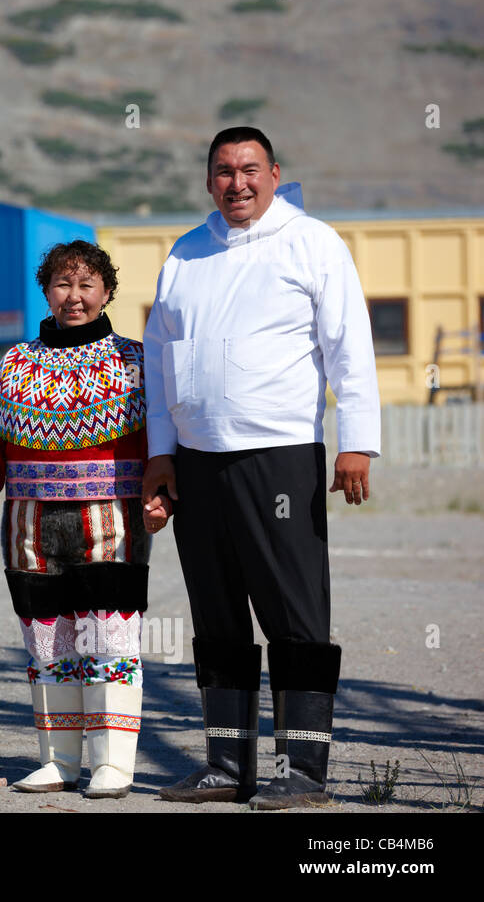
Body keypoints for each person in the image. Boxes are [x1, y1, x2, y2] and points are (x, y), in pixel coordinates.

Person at [142, 127, 380, 809]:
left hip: (278, 458)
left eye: (250, 169)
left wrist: (356, 441)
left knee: (293, 614)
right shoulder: (186, 253)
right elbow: (163, 363)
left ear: (274, 173)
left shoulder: (313, 243)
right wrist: (161, 454)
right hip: (197, 461)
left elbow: (349, 346)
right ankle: (225, 764)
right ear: (207, 180)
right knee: (217, 618)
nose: (237, 183)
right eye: (223, 171)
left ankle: (303, 771)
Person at [0, 241, 171, 798]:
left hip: (112, 521)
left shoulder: (135, 360)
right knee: (47, 645)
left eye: (86, 285)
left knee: (109, 640)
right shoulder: (14, 363)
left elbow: (162, 443)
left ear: (107, 292)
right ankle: (59, 760)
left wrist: (162, 496)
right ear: (46, 290)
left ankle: (112, 763)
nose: (74, 297)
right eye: (62, 284)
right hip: (28, 524)